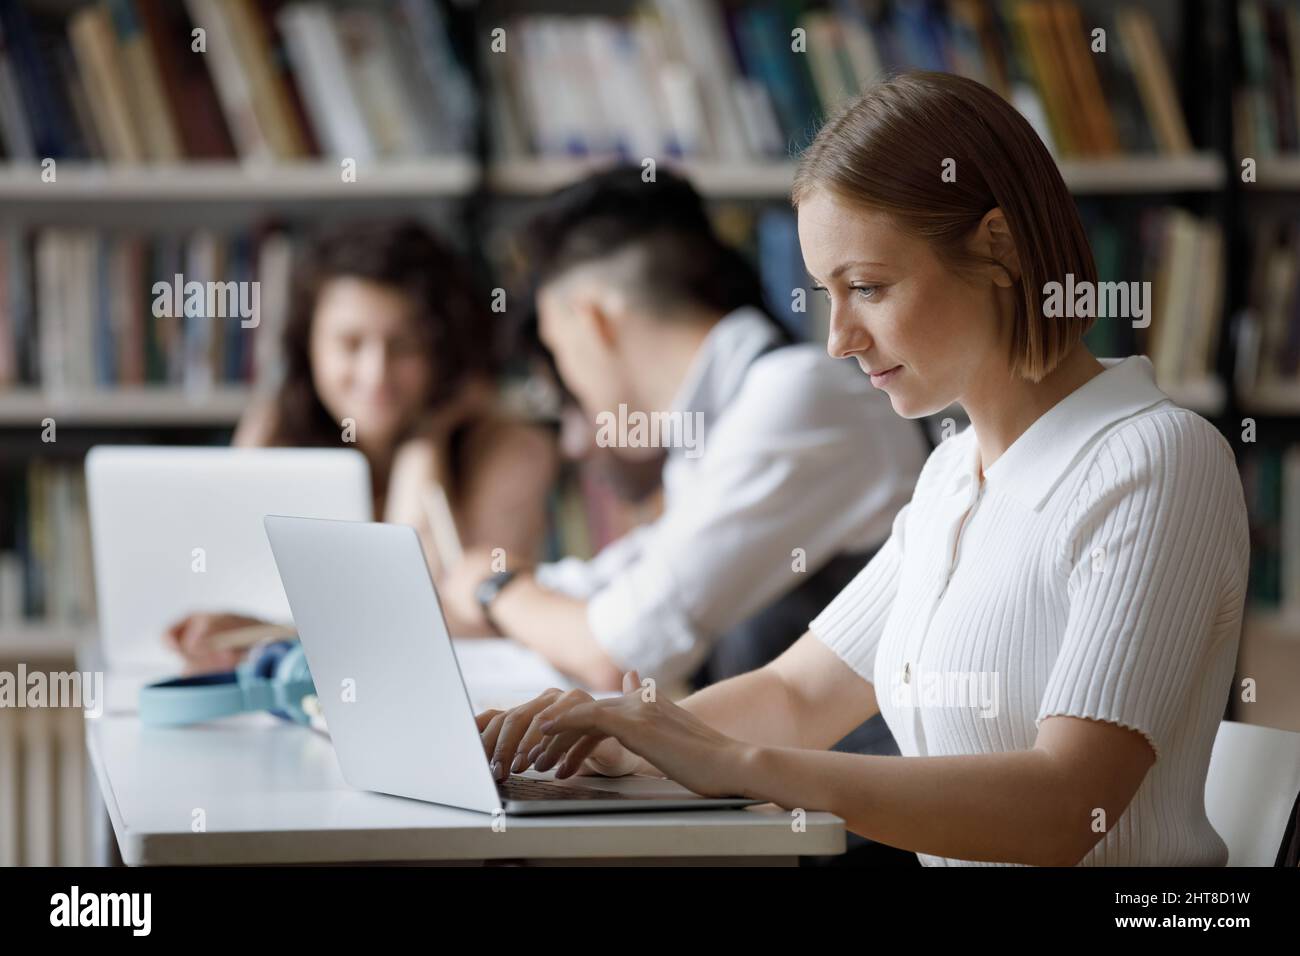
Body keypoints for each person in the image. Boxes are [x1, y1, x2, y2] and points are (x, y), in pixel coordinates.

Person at [475, 72, 1251, 867]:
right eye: (827, 294)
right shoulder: (954, 476)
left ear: (1001, 249)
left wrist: (738, 767)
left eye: (868, 288)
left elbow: (1071, 805)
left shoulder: (1157, 460)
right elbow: (796, 694)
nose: (839, 339)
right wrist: (610, 738)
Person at [440, 166, 928, 706]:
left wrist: (495, 591)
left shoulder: (801, 397)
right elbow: (625, 583)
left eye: (557, 349)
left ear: (593, 319)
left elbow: (619, 651)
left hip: (859, 781)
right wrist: (501, 587)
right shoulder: (719, 418)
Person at [167, 220, 558, 673]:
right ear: (308, 345)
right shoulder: (274, 431)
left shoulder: (512, 447)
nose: (376, 375)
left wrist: (423, 443)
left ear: (443, 350)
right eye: (350, 344)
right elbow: (232, 585)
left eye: (404, 346)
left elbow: (431, 617)